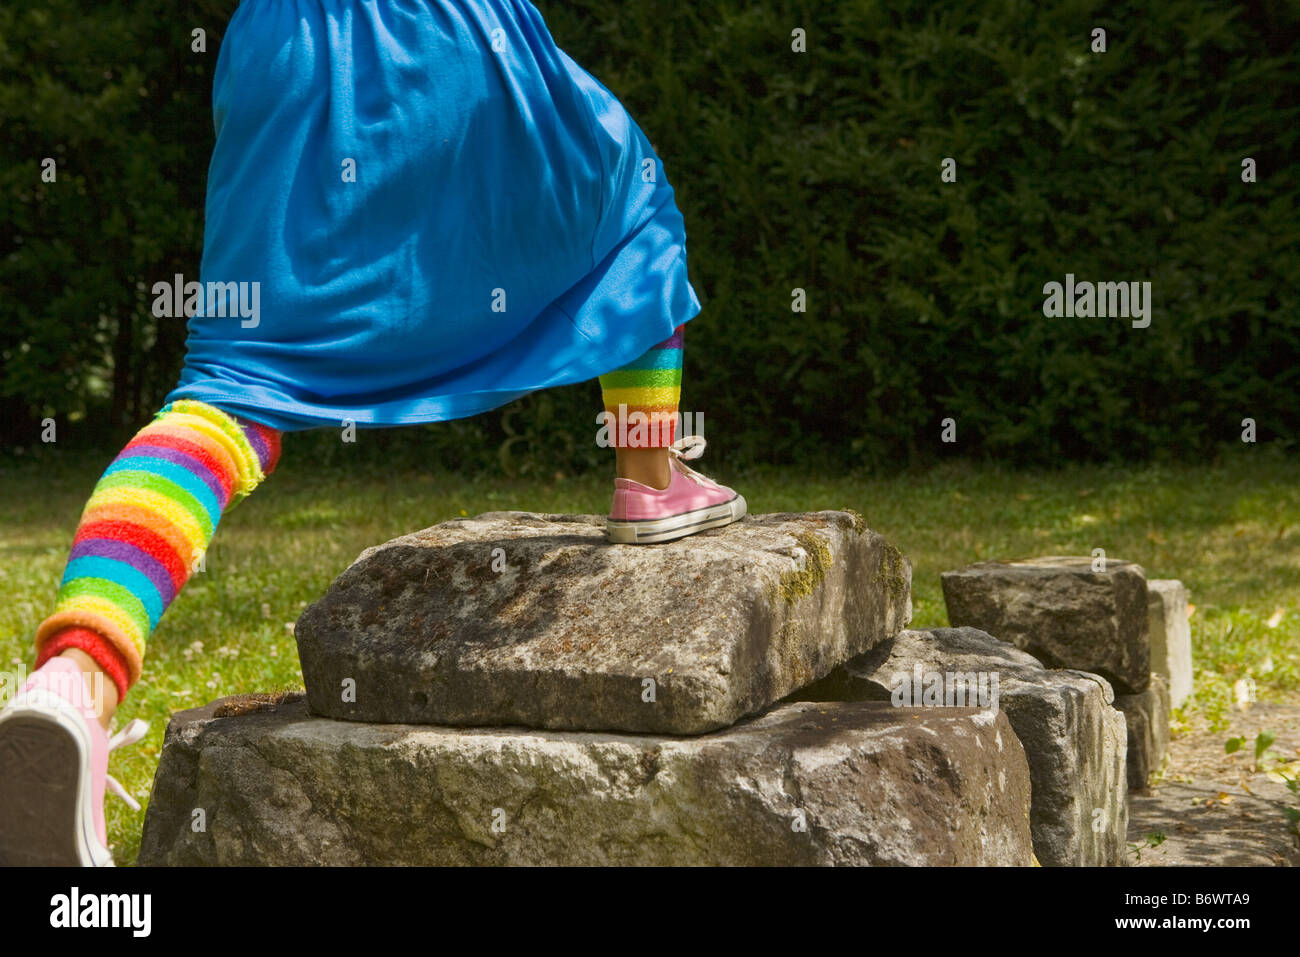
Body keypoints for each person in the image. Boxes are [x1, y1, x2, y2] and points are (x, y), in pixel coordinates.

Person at [0, 0, 744, 866]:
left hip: (279, 51)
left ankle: (75, 677)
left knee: (232, 390)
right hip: (457, 36)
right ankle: (648, 474)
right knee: (631, 199)